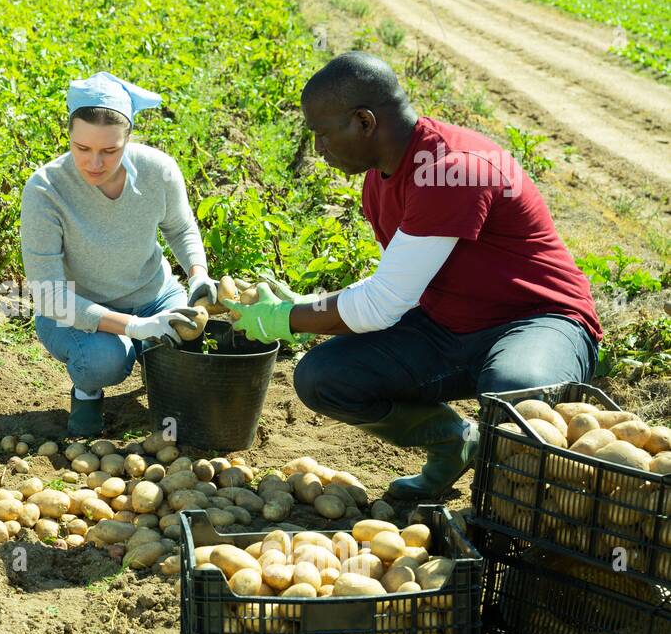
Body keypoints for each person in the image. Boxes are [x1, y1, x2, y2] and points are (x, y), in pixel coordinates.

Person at [224, 52, 601, 500]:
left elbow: (382, 302)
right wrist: (304, 305)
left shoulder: (451, 171)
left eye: (323, 135)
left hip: (539, 321)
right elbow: (398, 286)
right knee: (324, 376)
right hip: (447, 325)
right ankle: (453, 444)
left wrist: (287, 318)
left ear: (364, 122)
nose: (319, 149)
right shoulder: (381, 175)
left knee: (515, 396)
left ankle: (509, 512)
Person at [21, 72, 214, 437]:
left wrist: (198, 273)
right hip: (73, 311)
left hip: (152, 295)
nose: (95, 162)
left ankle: (162, 385)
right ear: (70, 137)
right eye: (82, 149)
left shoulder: (158, 170)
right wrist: (135, 328)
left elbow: (180, 227)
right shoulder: (46, 189)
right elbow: (49, 296)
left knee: (188, 337)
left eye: (110, 151)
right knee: (105, 360)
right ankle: (87, 392)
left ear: (128, 139)